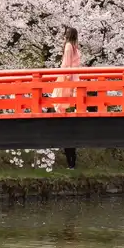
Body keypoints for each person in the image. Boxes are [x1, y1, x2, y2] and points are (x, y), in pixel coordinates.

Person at [52, 26, 80, 169]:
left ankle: (62, 110)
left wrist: (65, 76)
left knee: (61, 96)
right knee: (69, 98)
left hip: (68, 75)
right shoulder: (75, 47)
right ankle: (66, 110)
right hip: (73, 76)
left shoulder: (69, 46)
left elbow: (66, 63)